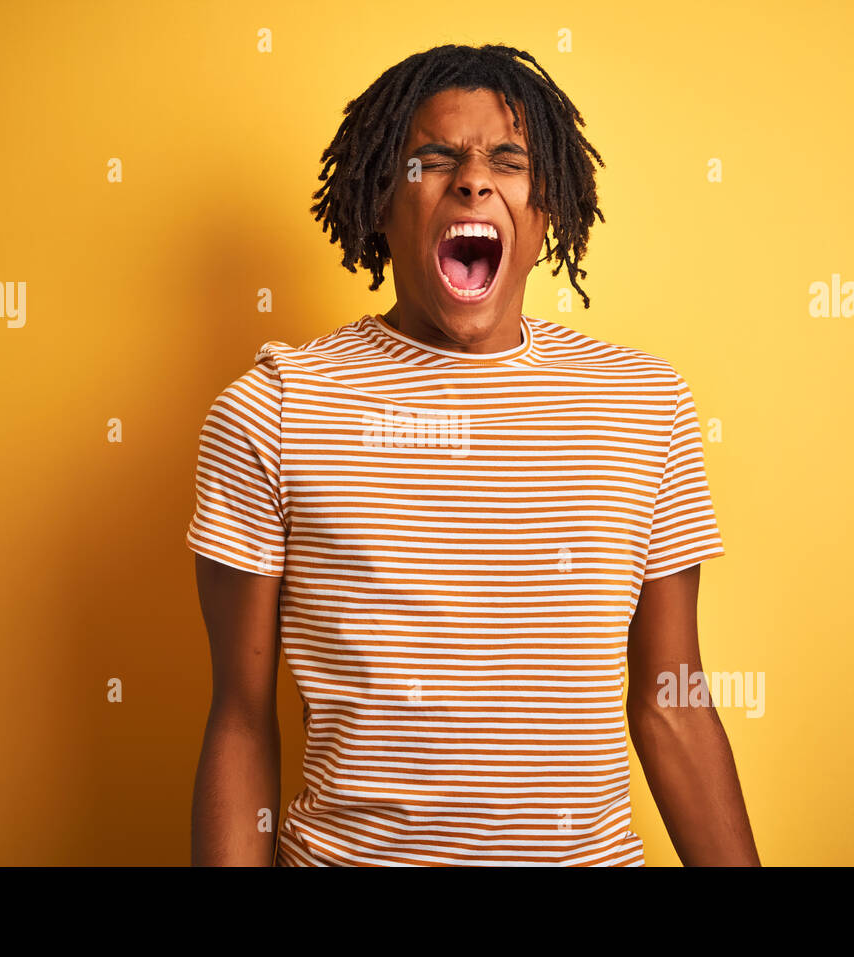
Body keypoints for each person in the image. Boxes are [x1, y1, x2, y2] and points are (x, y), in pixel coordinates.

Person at [188, 43, 760, 866]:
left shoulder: (643, 404)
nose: (473, 179)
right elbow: (241, 718)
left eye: (509, 159)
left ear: (545, 211)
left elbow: (673, 703)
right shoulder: (274, 408)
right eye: (433, 159)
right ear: (380, 201)